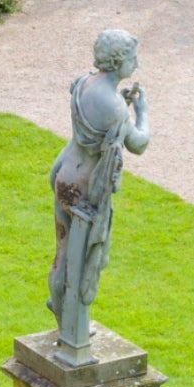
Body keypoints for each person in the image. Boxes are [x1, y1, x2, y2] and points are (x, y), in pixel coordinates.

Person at [47, 28, 149, 360]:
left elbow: (80, 136)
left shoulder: (84, 83)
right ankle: (74, 340)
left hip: (65, 175)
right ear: (119, 61)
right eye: (132, 58)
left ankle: (63, 316)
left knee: (61, 255)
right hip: (85, 193)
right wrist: (142, 112)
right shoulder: (114, 105)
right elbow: (138, 143)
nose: (136, 63)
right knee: (80, 265)